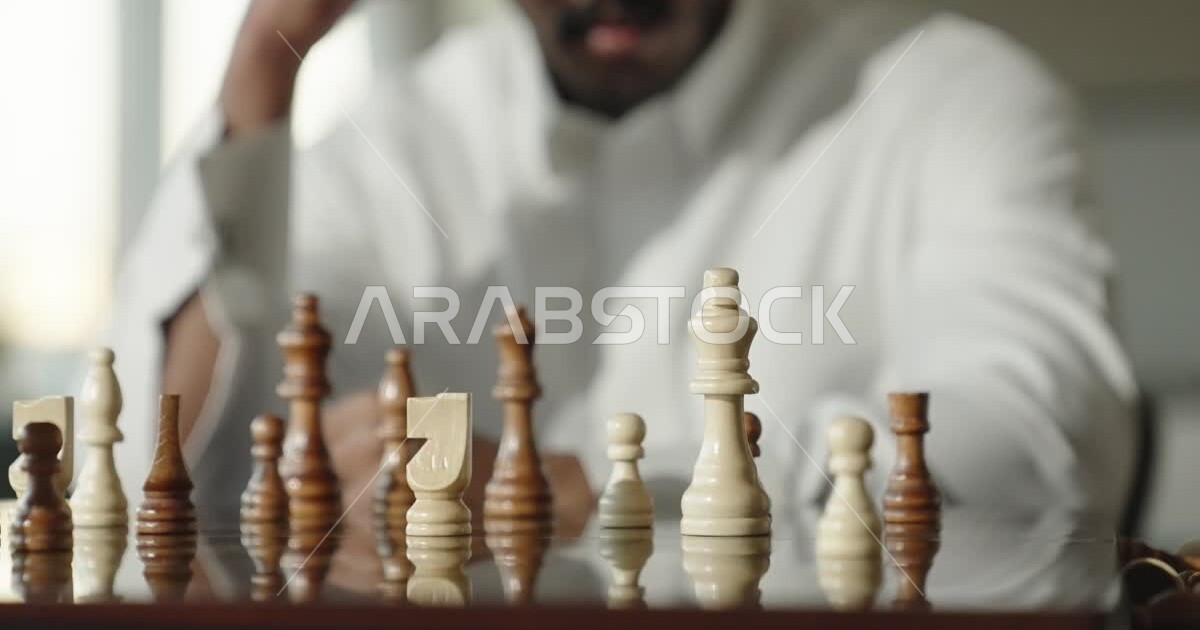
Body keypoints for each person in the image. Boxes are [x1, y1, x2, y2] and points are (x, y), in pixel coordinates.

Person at [109, 0, 1138, 530]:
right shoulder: (404, 138)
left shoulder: (955, 95)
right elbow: (174, 468)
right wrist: (267, 56)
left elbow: (1036, 440)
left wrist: (594, 490)